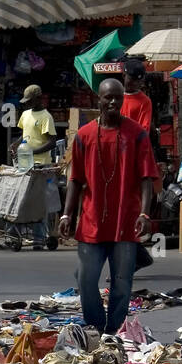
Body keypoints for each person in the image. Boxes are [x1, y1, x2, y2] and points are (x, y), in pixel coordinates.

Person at [58, 78, 157, 334]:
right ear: (98, 100)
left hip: (125, 221)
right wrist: (67, 214)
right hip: (91, 221)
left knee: (122, 283)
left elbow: (147, 178)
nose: (113, 101)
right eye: (107, 97)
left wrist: (145, 213)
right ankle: (95, 325)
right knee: (86, 279)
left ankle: (114, 331)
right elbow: (75, 180)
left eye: (117, 97)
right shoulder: (84, 136)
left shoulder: (137, 134)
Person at [11, 83, 61, 250]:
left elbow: (52, 142)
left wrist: (32, 152)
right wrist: (15, 144)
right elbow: (24, 136)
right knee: (23, 201)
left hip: (41, 166)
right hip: (25, 165)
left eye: (30, 101)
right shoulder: (25, 114)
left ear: (39, 99)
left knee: (39, 204)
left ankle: (39, 238)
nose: (28, 104)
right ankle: (17, 234)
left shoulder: (46, 117)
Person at [121, 59, 155, 134]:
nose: (135, 83)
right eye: (132, 79)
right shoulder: (115, 96)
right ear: (124, 75)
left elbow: (144, 131)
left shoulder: (145, 102)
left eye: (139, 81)